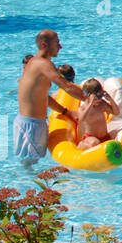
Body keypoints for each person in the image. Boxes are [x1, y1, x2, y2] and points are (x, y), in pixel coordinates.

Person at [14, 30, 87, 164]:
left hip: (33, 124)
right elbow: (67, 86)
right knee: (29, 168)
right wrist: (90, 100)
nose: (60, 47)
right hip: (31, 126)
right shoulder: (43, 64)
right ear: (44, 44)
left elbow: (42, 96)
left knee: (32, 165)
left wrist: (65, 111)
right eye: (57, 43)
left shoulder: (37, 63)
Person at [72, 78, 120, 150]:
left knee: (117, 142)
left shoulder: (101, 104)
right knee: (95, 142)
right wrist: (91, 103)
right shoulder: (83, 109)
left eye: (101, 96)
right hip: (90, 138)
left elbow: (116, 112)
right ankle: (81, 145)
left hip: (104, 137)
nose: (99, 99)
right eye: (96, 97)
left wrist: (110, 99)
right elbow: (81, 120)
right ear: (86, 96)